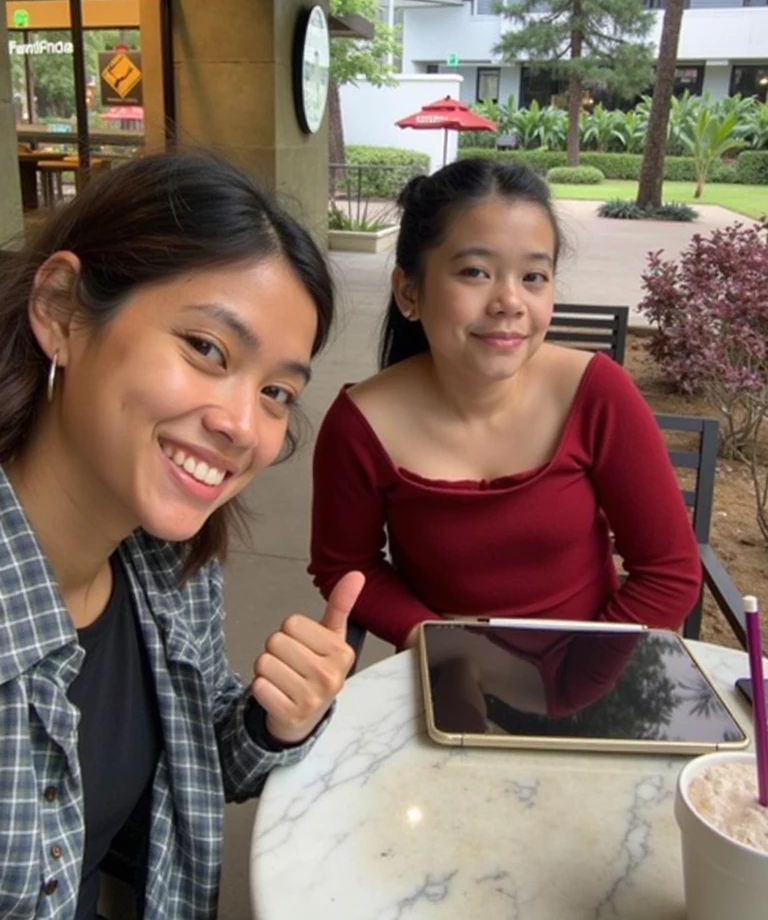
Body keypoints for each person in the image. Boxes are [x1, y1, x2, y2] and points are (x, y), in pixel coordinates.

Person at [0, 150, 363, 920]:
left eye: (274, 392)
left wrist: (275, 718)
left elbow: (192, 755)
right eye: (206, 348)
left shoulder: (170, 567)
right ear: (63, 310)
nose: (241, 425)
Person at [308, 157, 700, 651]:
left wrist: (578, 675)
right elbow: (346, 565)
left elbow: (669, 573)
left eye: (534, 276)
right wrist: (436, 646)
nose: (510, 301)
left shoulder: (598, 394)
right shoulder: (361, 425)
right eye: (475, 271)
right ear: (409, 290)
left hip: (594, 677)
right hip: (449, 683)